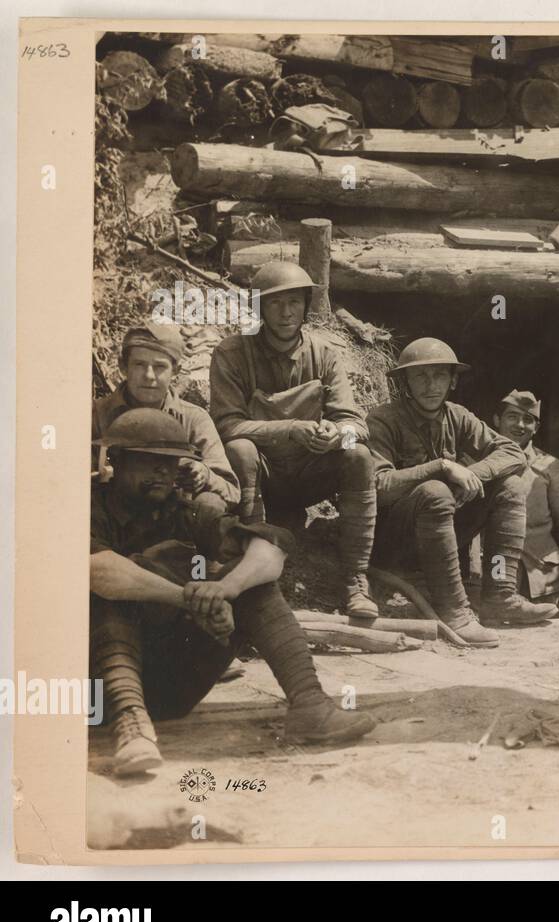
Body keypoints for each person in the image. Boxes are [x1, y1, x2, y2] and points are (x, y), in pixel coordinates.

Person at [90, 409, 376, 776]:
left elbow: (271, 549)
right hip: (98, 693)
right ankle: (131, 725)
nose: (162, 471)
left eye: (170, 462)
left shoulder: (185, 512)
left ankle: (309, 704)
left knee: (253, 582)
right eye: (149, 460)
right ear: (117, 459)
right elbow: (97, 571)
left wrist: (225, 589)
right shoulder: (87, 508)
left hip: (170, 688)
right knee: (114, 592)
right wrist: (189, 598)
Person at [208, 261, 379, 619]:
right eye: (275, 303)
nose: (286, 312)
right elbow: (226, 426)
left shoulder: (324, 354)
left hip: (309, 475)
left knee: (359, 454)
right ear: (259, 308)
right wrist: (289, 428)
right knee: (240, 449)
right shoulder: (231, 354)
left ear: (305, 305)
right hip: (261, 477)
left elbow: (356, 424)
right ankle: (254, 574)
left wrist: (337, 436)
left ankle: (355, 580)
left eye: (294, 302)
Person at [366, 338, 558, 648]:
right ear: (405, 383)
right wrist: (441, 467)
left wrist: (471, 475)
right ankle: (454, 612)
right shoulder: (383, 419)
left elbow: (512, 453)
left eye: (440, 375)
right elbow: (379, 487)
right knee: (435, 490)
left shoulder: (456, 416)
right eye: (420, 376)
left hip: (440, 535)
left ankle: (500, 595)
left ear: (453, 381)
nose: (431, 385)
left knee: (509, 486)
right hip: (393, 545)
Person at [93, 320, 239, 510]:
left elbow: (231, 490)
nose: (149, 375)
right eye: (139, 364)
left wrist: (203, 474)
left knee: (210, 504)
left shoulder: (194, 419)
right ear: (123, 367)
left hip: (174, 515)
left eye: (159, 366)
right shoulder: (96, 415)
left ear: (176, 371)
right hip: (114, 513)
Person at [491, 390, 559, 604]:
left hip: (541, 569)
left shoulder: (550, 466)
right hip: (496, 565)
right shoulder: (479, 462)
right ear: (496, 420)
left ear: (536, 428)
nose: (520, 425)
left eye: (528, 419)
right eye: (512, 416)